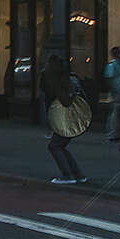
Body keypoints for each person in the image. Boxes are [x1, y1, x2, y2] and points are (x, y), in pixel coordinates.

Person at [44, 54, 88, 185]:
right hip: (73, 116)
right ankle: (77, 174)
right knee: (60, 145)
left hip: (65, 117)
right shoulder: (69, 79)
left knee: (55, 145)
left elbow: (64, 101)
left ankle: (68, 175)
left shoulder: (57, 82)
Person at [106, 47, 120, 142]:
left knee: (119, 112)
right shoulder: (112, 65)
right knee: (116, 113)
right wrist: (112, 91)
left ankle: (118, 132)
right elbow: (109, 79)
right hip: (118, 91)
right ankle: (113, 133)